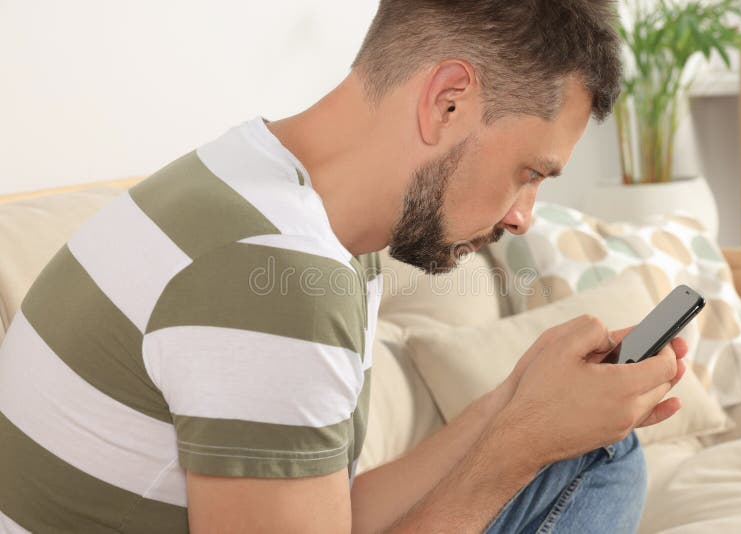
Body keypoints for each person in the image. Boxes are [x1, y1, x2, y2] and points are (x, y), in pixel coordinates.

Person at [0, 1, 690, 532]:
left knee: (592, 448)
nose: (522, 217)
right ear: (448, 101)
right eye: (529, 172)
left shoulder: (260, 191)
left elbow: (338, 514)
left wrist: (515, 400)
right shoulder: (275, 276)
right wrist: (522, 443)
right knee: (606, 460)